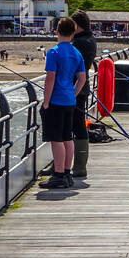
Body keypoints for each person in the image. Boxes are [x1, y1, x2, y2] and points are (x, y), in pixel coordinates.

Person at [40, 17, 86, 190]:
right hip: (69, 100)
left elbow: (50, 77)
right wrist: (73, 93)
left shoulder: (53, 52)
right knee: (68, 137)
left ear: (57, 31)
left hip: (56, 100)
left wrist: (46, 101)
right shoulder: (76, 53)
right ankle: (67, 172)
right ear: (73, 33)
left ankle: (58, 174)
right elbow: (82, 78)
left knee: (56, 139)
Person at [69, 11, 98, 180]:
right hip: (82, 87)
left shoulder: (80, 43)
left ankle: (78, 167)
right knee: (76, 124)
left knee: (75, 125)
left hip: (75, 88)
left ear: (76, 25)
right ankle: (76, 165)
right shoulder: (89, 39)